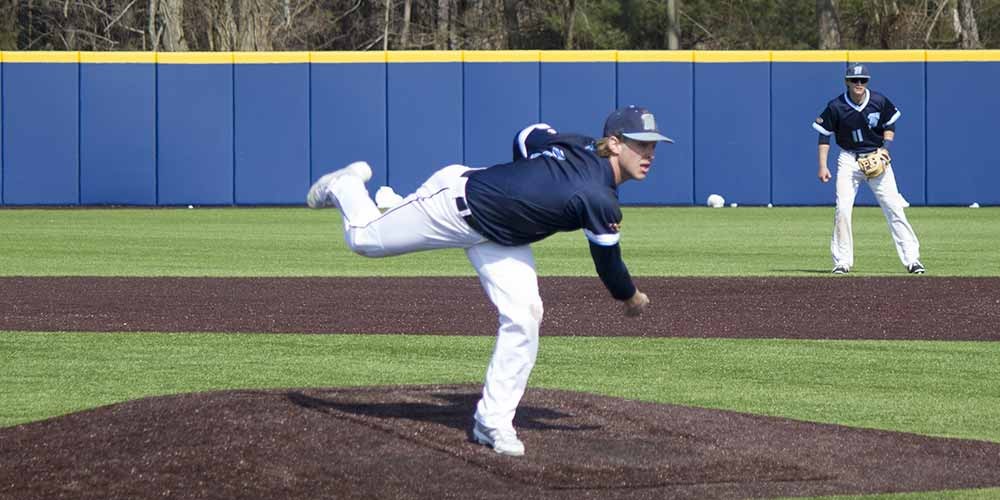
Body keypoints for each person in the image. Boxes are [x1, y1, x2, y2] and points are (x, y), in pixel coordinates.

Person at [306, 105, 672, 456]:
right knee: (364, 239)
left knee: (525, 315)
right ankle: (345, 185)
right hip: (454, 205)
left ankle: (492, 420)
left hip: (502, 239)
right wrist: (630, 297)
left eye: (653, 145)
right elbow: (609, 266)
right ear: (613, 143)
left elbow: (530, 134)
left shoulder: (576, 149)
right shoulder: (596, 193)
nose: (649, 153)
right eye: (640, 144)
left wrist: (525, 182)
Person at [813, 63, 925, 275]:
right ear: (847, 81)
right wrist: (822, 165)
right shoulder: (836, 106)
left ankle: (913, 259)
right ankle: (842, 262)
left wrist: (885, 148)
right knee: (843, 210)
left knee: (894, 208)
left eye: (863, 80)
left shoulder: (878, 101)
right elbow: (823, 135)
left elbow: (889, 125)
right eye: (854, 80)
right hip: (848, 159)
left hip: (876, 156)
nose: (859, 83)